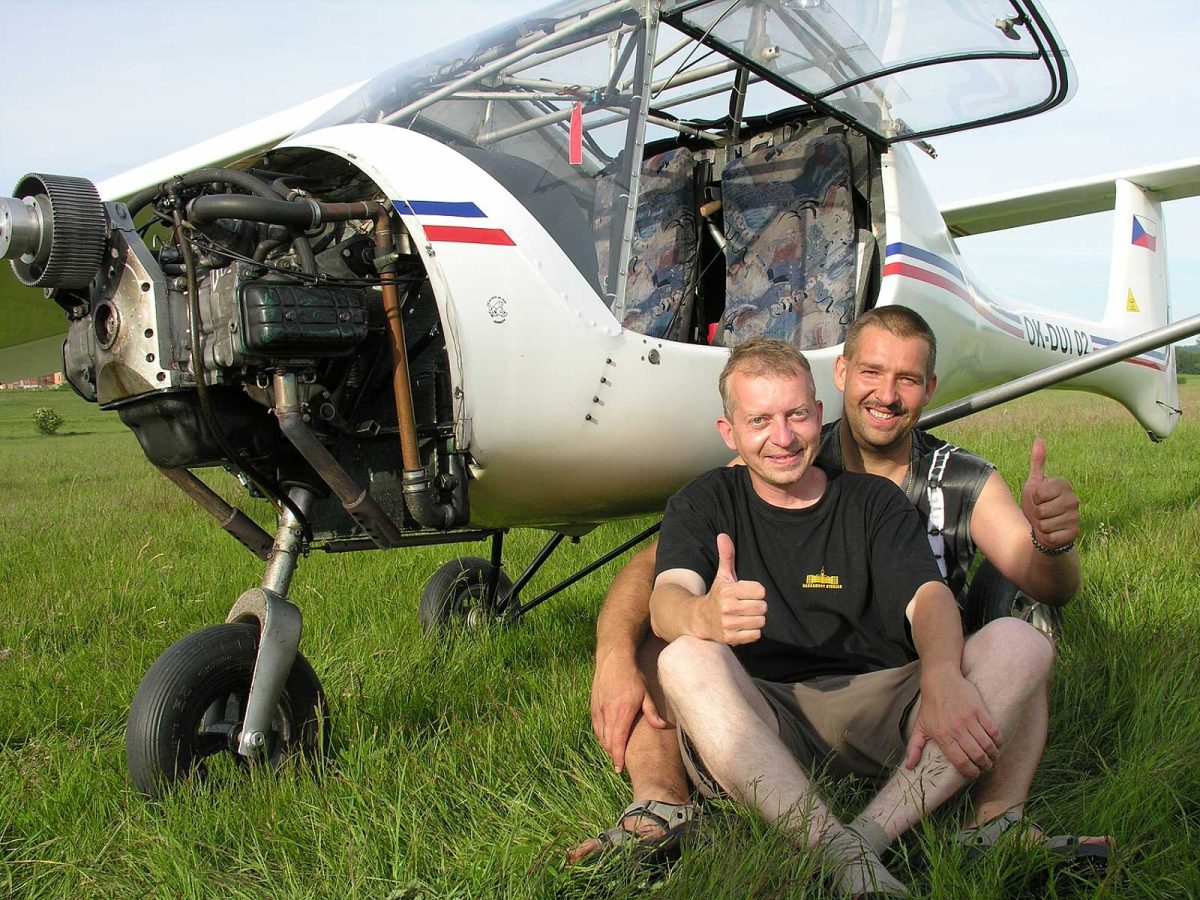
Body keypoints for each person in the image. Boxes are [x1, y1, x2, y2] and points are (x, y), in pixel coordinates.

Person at [569, 307, 1098, 870]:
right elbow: (663, 575)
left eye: (907, 379)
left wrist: (1051, 543)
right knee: (672, 649)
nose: (887, 395)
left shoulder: (950, 481)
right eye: (872, 372)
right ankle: (660, 807)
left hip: (902, 684)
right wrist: (622, 649)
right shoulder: (764, 463)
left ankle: (986, 822)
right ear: (841, 374)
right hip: (769, 694)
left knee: (1022, 644)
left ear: (929, 389)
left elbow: (1031, 586)